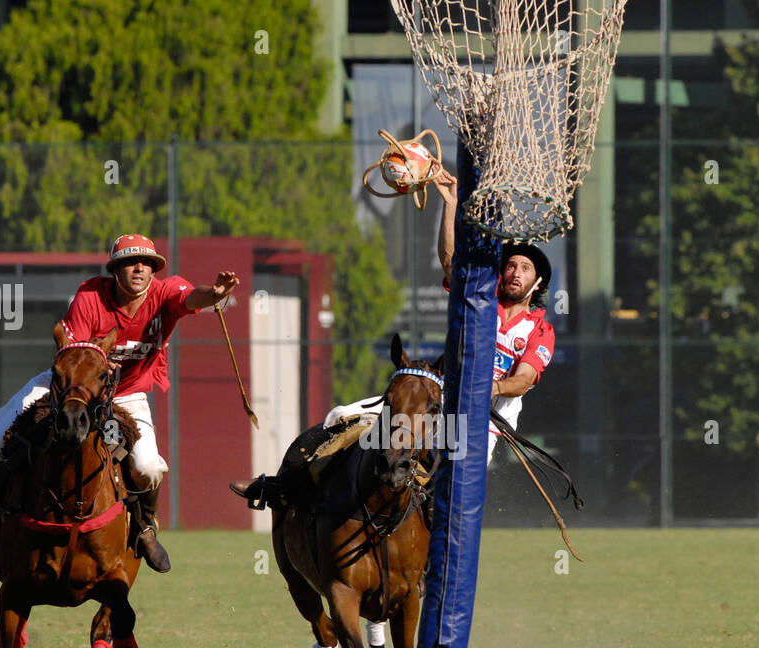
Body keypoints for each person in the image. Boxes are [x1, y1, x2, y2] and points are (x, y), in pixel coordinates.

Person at [231, 168, 557, 508]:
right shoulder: (481, 298)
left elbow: (523, 381)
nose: (515, 272)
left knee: (450, 487)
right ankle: (283, 485)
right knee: (342, 417)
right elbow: (449, 262)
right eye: (511, 265)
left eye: (525, 269)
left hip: (483, 420)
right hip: (437, 398)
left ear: (537, 284)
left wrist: (489, 388)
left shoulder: (540, 330)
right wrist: (450, 205)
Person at [0, 234, 239, 573]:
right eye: (130, 262)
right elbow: (72, 353)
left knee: (148, 468)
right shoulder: (90, 295)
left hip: (126, 393)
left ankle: (145, 528)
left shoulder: (164, 292)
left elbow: (190, 299)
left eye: (147, 263)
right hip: (73, 387)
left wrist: (214, 294)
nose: (139, 267)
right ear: (115, 270)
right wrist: (96, 366)